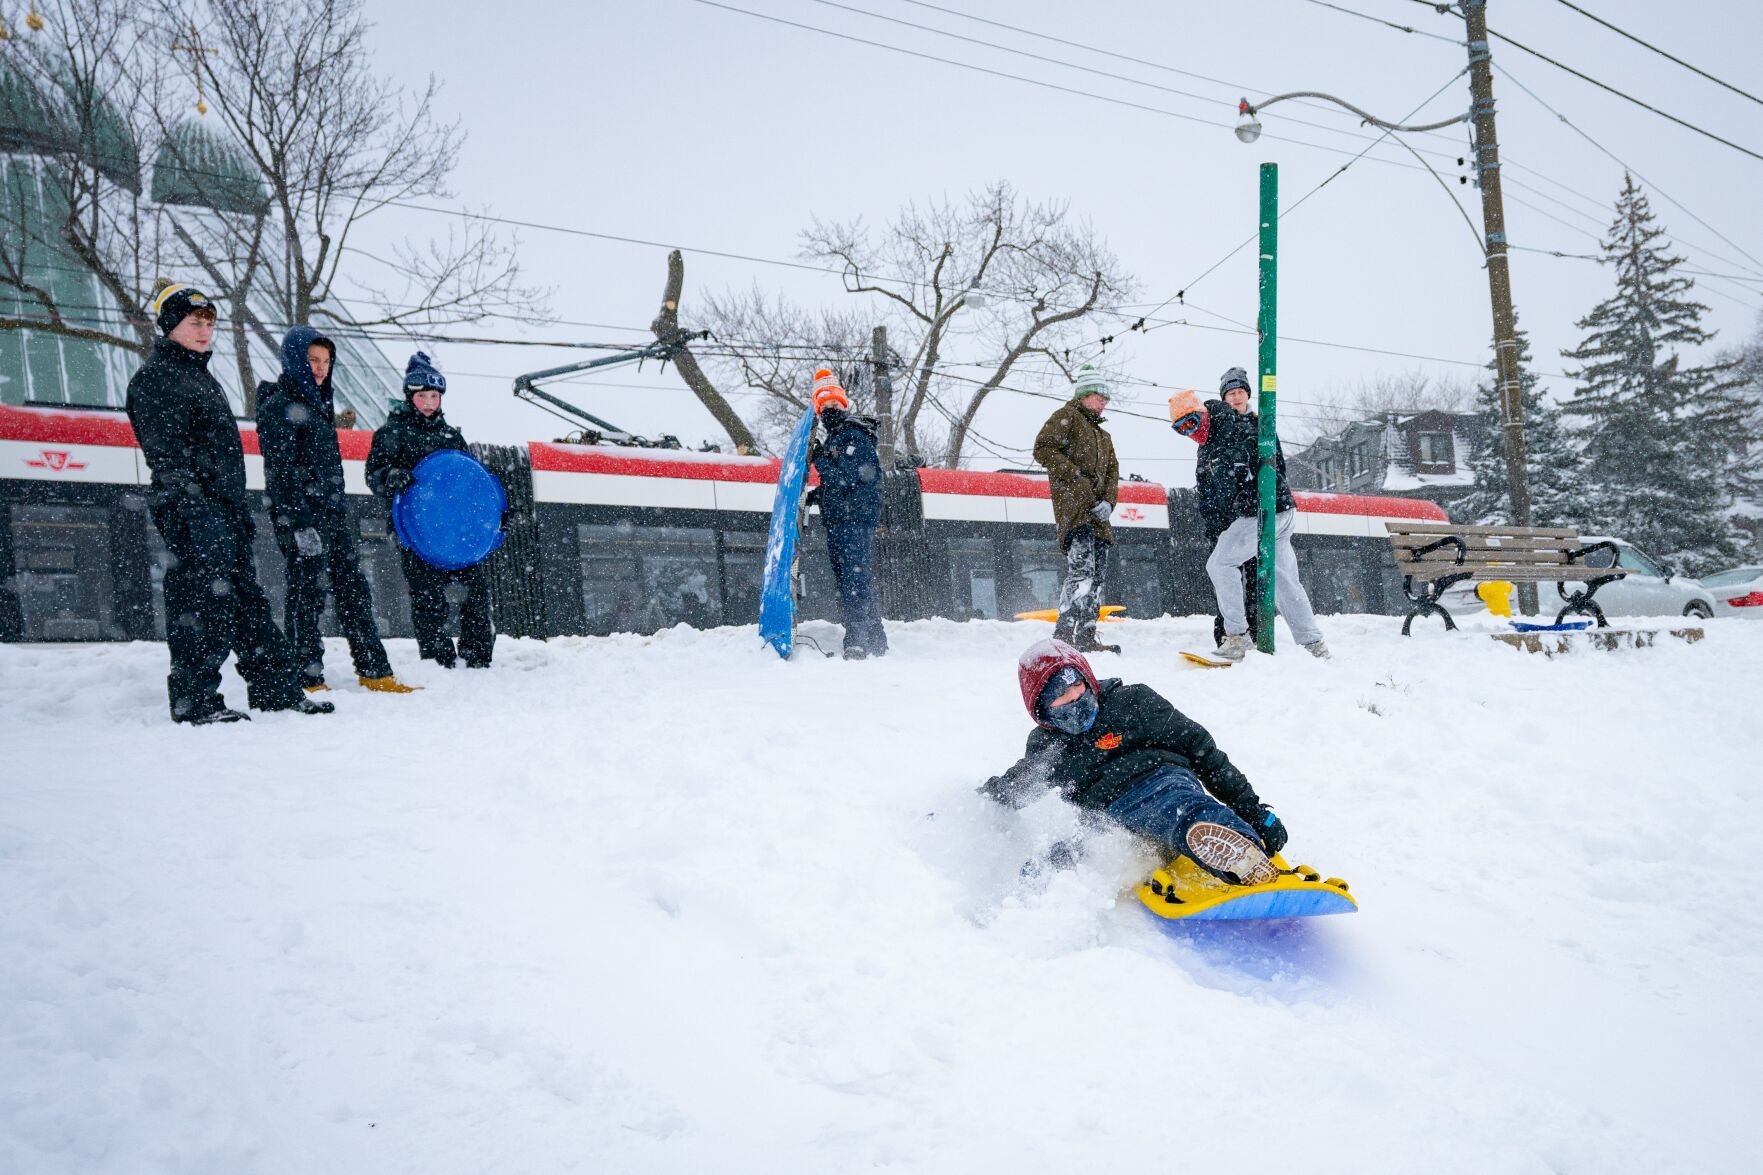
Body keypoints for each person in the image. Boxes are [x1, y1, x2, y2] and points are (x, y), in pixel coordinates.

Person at [125, 282, 334, 724]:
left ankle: (276, 690)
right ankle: (195, 702)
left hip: (224, 511)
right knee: (200, 607)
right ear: (170, 326)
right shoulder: (156, 379)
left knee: (248, 602)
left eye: (209, 324)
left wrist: (233, 513)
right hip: (193, 511)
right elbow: (167, 457)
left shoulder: (199, 376)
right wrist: (195, 513)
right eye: (194, 323)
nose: (204, 331)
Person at [982, 638, 1289, 886]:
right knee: (1060, 862)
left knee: (1180, 809)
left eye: (1076, 684)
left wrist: (1254, 811)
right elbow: (1017, 786)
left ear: (1087, 677)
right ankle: (1022, 911)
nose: (1074, 696)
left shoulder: (1133, 702)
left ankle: (1241, 855)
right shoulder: (1049, 744)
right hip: (1108, 819)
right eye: (1059, 693)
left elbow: (1203, 752)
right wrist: (967, 808)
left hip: (1161, 783)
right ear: (1040, 704)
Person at [257, 326, 415, 694]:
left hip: (331, 516)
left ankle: (375, 672)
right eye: (313, 359)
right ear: (295, 359)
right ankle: (306, 677)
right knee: (306, 595)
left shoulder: (319, 404)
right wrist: (299, 524)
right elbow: (279, 474)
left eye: (326, 361)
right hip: (302, 519)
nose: (320, 367)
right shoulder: (280, 405)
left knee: (354, 590)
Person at [1169, 368, 1328, 661]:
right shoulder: (1209, 442)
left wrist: (1249, 489)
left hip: (1263, 510)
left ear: (1204, 413)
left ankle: (1238, 637)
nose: (1190, 431)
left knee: (1219, 565)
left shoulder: (1228, 424)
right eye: (1182, 428)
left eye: (1192, 422)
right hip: (1277, 509)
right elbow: (1210, 494)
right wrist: (1217, 524)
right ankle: (1313, 644)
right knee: (1283, 578)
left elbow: (1252, 461)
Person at [365, 352, 496, 669]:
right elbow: (374, 475)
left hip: (454, 532)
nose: (428, 402)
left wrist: (493, 513)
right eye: (422, 395)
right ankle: (438, 661)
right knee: (429, 600)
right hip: (415, 533)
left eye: (434, 395)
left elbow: (469, 485)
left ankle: (477, 657)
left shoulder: (451, 435)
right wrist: (392, 476)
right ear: (410, 397)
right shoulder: (391, 432)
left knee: (476, 595)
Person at [1033, 362, 1120, 654]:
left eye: (1106, 399)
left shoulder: (1104, 437)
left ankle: (1085, 634)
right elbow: (1043, 448)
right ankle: (1065, 633)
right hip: (1076, 513)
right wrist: (1076, 479)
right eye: (1099, 397)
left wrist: (1108, 501)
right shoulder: (1066, 417)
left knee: (1097, 577)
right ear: (1084, 395)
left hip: (1099, 517)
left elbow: (1113, 472)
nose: (1104, 403)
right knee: (1081, 571)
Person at [806, 368, 888, 659]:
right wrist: (819, 495)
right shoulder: (836, 439)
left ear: (844, 405)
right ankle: (876, 638)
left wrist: (819, 461)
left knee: (855, 579)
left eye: (833, 404)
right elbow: (838, 482)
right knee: (851, 578)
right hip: (840, 519)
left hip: (854, 519)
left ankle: (858, 639)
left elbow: (849, 477)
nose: (829, 410)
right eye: (823, 406)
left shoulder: (854, 435)